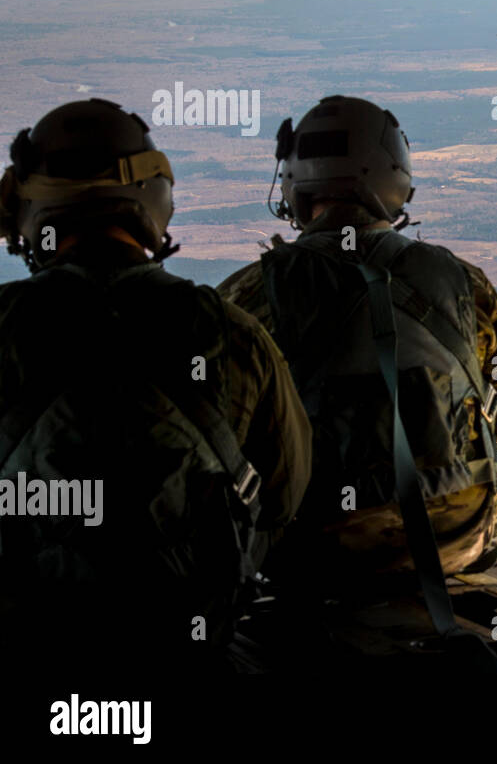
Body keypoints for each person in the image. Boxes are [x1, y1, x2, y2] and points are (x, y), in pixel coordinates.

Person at [217, 95, 497, 657]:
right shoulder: (461, 281)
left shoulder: (246, 298)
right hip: (458, 540)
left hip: (309, 557)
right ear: (396, 181)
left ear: (295, 188)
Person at [0, 98, 312, 669]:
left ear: (25, 208)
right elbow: (284, 496)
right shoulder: (231, 331)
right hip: (183, 647)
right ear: (153, 200)